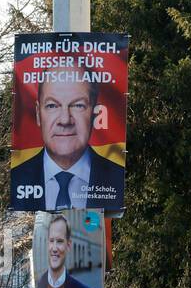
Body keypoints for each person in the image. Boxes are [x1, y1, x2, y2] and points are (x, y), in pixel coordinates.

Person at [11, 78, 123, 211]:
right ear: (38, 113)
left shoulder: (117, 179)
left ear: (94, 113)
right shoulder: (17, 180)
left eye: (78, 105)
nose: (65, 120)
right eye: (52, 106)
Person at [35, 215, 98, 288]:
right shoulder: (39, 286)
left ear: (68, 245)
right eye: (51, 241)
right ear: (47, 244)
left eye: (59, 241)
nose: (54, 248)